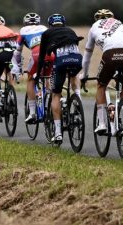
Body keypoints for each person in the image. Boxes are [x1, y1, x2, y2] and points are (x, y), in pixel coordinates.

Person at [79, 9, 123, 135]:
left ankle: (102, 123)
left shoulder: (94, 27)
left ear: (97, 19)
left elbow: (87, 56)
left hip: (110, 54)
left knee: (101, 85)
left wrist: (85, 75)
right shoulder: (119, 23)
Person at [36, 14, 83, 143]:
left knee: (56, 93)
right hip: (78, 59)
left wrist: (38, 74)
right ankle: (78, 97)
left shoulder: (47, 33)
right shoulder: (70, 30)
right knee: (73, 74)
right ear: (63, 23)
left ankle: (57, 133)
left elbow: (42, 57)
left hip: (61, 61)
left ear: (50, 24)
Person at [13, 13, 47, 124]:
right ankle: (50, 98)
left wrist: (18, 67)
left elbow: (17, 53)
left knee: (30, 79)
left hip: (37, 55)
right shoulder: (44, 28)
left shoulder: (23, 30)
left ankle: (32, 113)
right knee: (48, 76)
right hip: (51, 54)